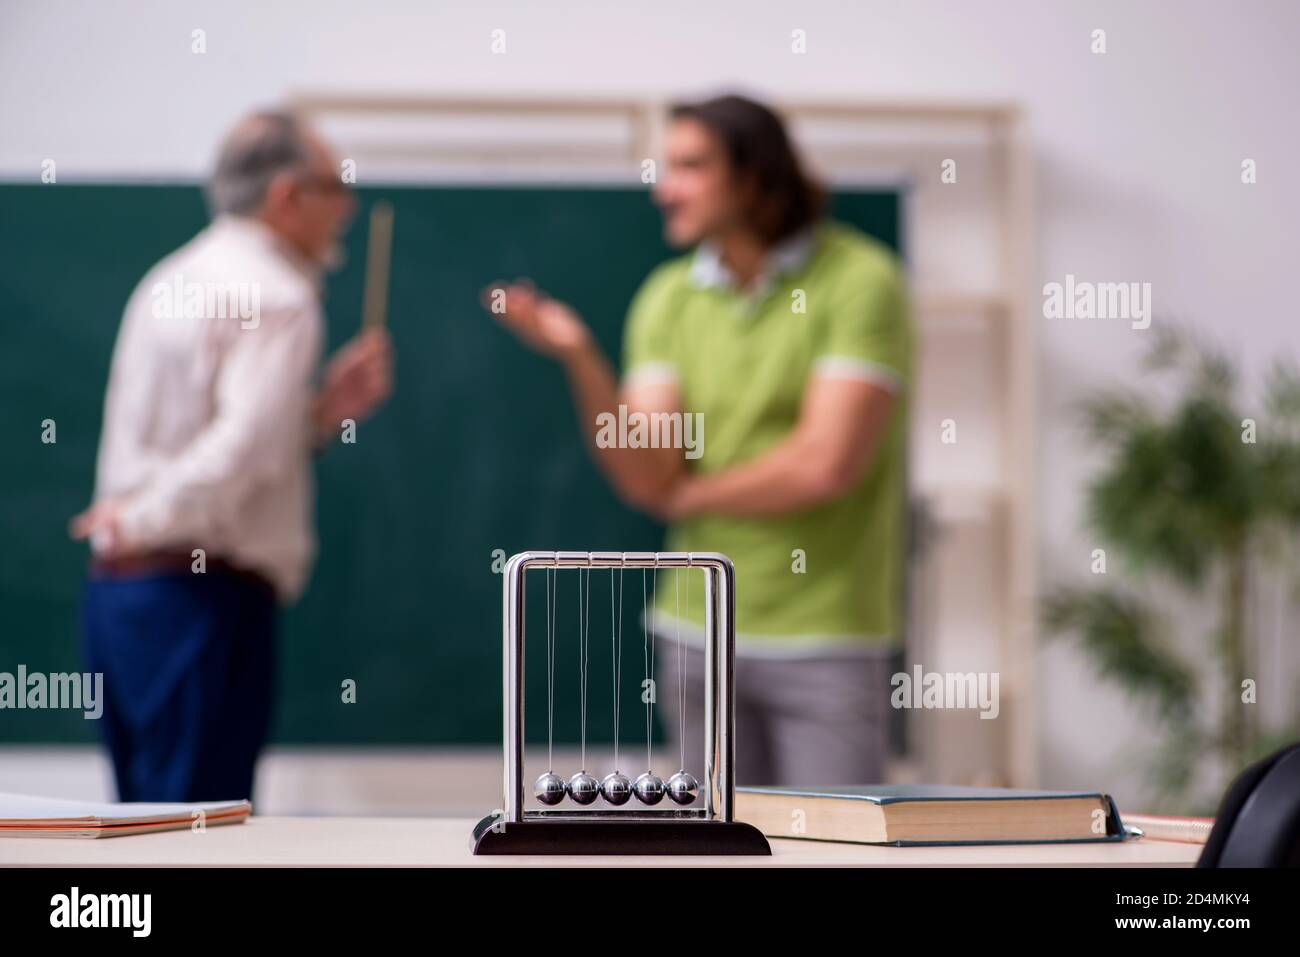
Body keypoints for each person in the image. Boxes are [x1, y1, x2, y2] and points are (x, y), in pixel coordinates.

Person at [484, 94, 912, 787]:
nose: (662, 189)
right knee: (712, 852)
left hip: (828, 638)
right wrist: (579, 356)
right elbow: (646, 472)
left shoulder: (862, 282)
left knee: (837, 849)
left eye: (688, 166)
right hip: (695, 632)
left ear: (753, 175)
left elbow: (825, 465)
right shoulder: (669, 297)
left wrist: (689, 495)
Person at [70, 110, 393, 802]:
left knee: (144, 828)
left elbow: (222, 439)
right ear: (286, 197)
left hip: (119, 596)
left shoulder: (169, 275)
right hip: (200, 598)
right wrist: (142, 521)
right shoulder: (282, 298)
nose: (348, 207)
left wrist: (316, 414)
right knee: (197, 834)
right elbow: (237, 455)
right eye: (334, 186)